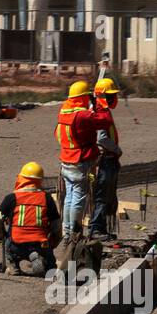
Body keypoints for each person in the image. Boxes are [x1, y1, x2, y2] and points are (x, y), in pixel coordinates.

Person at [53, 81, 114, 243]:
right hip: (80, 161)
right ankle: (75, 230)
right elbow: (105, 120)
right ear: (82, 97)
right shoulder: (82, 115)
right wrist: (101, 103)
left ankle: (67, 233)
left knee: (69, 197)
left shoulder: (65, 110)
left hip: (66, 159)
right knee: (78, 198)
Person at [0, 162, 60, 276]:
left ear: (21, 178)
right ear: (40, 181)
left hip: (16, 245)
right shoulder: (47, 198)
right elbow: (56, 225)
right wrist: (53, 242)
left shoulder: (11, 198)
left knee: (10, 240)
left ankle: (14, 266)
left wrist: (2, 234)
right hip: (40, 244)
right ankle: (44, 261)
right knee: (50, 265)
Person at [88, 78, 122, 241]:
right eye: (110, 95)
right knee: (102, 195)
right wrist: (117, 150)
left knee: (107, 196)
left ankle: (101, 229)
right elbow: (102, 138)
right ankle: (96, 228)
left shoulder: (101, 109)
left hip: (108, 159)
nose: (114, 98)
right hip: (105, 160)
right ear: (103, 96)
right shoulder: (100, 112)